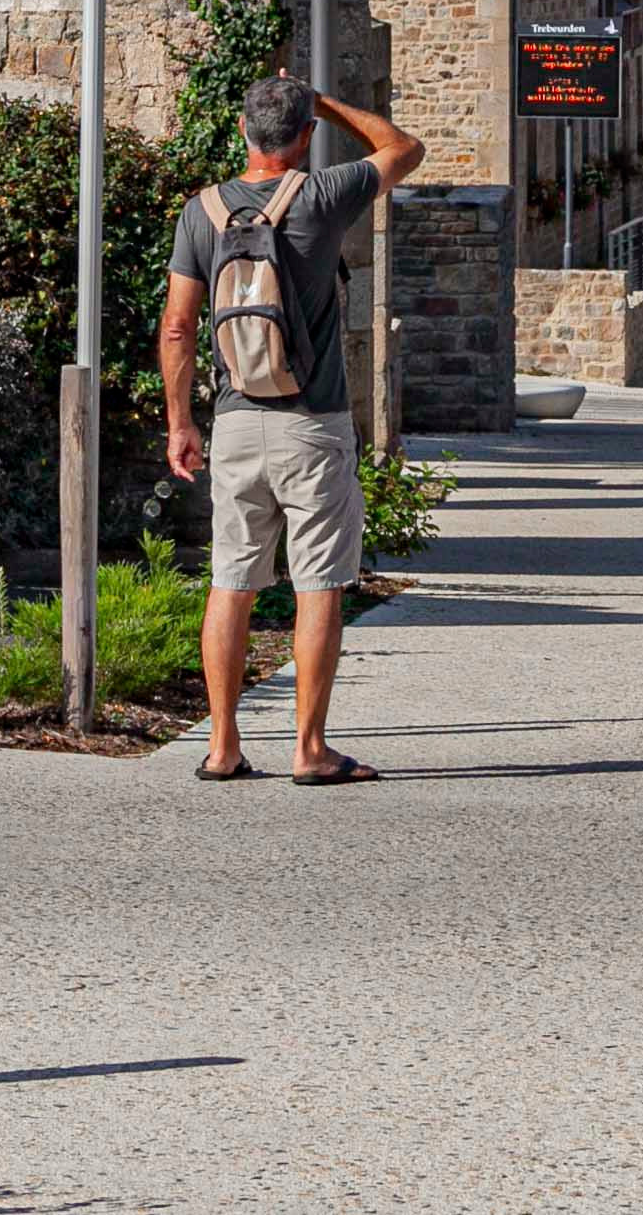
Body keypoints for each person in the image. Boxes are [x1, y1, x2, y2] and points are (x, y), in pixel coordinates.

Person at [159, 77, 422, 785]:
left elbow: (179, 325)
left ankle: (221, 745)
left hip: (237, 422)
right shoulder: (321, 195)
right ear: (303, 136)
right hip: (313, 423)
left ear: (244, 132)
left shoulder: (201, 212)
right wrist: (328, 103)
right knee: (319, 584)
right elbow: (403, 147)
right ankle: (309, 749)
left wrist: (181, 422)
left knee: (231, 581)